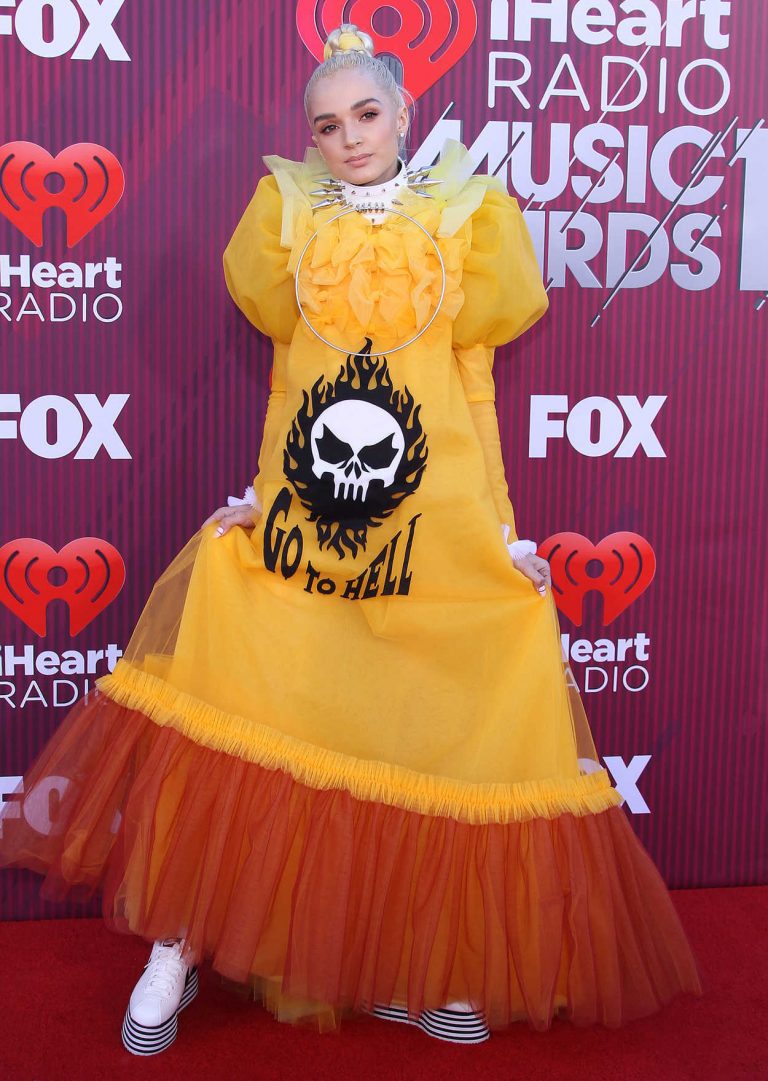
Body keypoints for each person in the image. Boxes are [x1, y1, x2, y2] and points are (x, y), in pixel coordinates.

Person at [0, 23, 702, 1056]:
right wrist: (261, 492)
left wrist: (503, 531)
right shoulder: (284, 216)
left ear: (404, 111)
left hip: (435, 523)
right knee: (246, 707)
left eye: (366, 114)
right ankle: (179, 941)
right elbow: (291, 383)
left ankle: (419, 964)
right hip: (309, 519)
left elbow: (474, 388)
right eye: (327, 125)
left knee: (427, 733)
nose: (349, 138)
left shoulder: (471, 218)